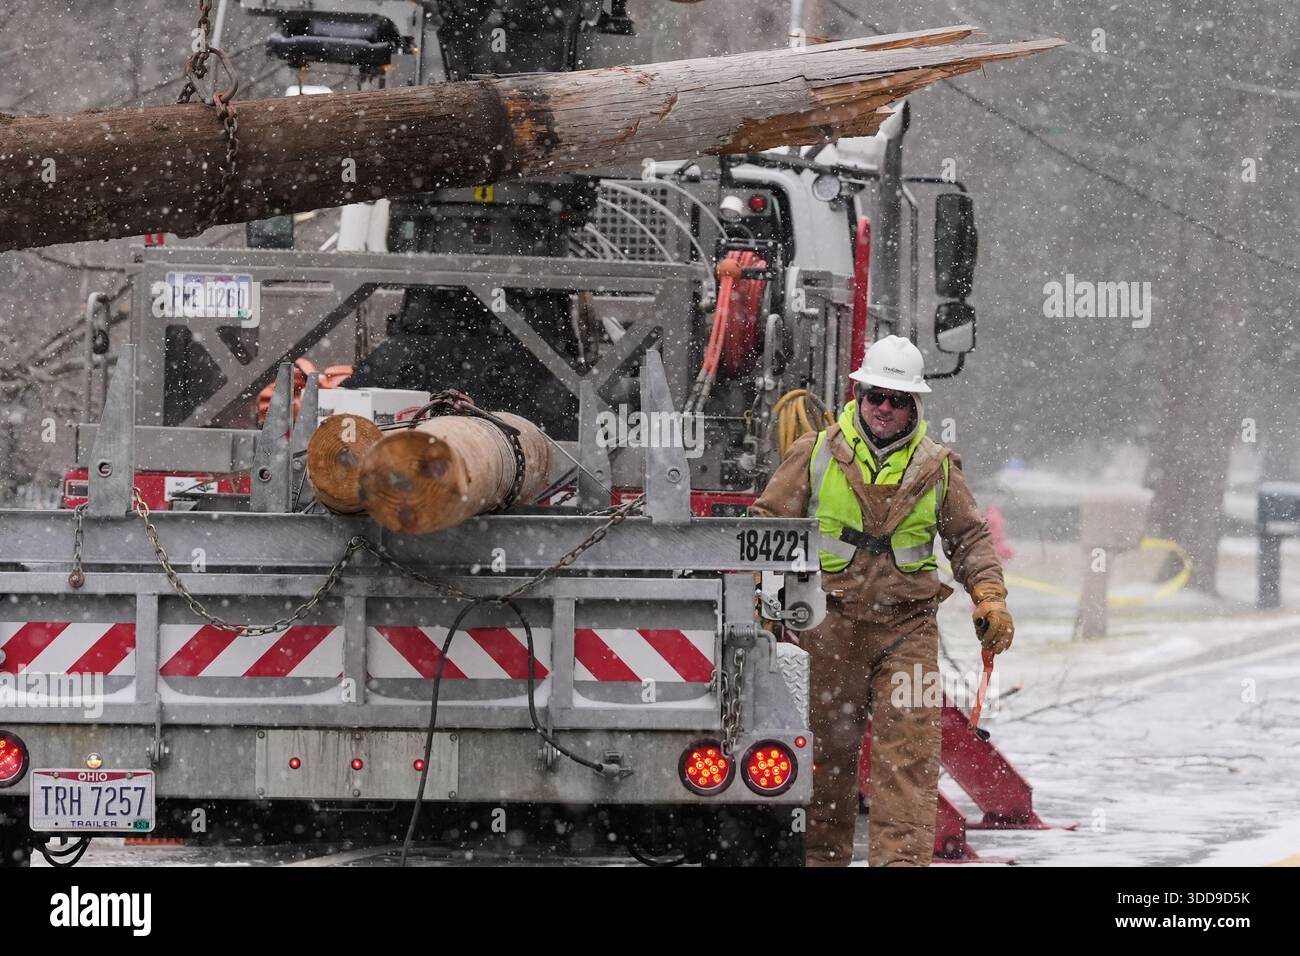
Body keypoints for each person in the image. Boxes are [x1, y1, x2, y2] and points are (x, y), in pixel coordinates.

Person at [750, 335, 1013, 866]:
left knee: (908, 763)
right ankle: (822, 861)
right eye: (876, 396)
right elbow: (768, 526)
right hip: (828, 625)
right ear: (860, 394)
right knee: (825, 760)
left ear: (916, 404)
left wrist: (989, 596)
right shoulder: (816, 452)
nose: (885, 408)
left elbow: (970, 540)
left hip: (907, 632)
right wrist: (764, 589)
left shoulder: (938, 467)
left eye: (898, 400)